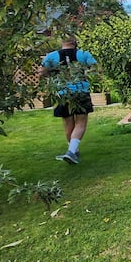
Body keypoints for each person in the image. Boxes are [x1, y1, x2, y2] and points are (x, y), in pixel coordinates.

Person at [40, 36, 98, 165]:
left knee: (68, 123)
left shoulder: (51, 56)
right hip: (80, 91)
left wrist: (52, 78)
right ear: (75, 42)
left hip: (62, 93)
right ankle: (71, 152)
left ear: (62, 42)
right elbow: (96, 69)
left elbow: (42, 71)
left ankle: (72, 151)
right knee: (81, 122)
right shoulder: (83, 54)